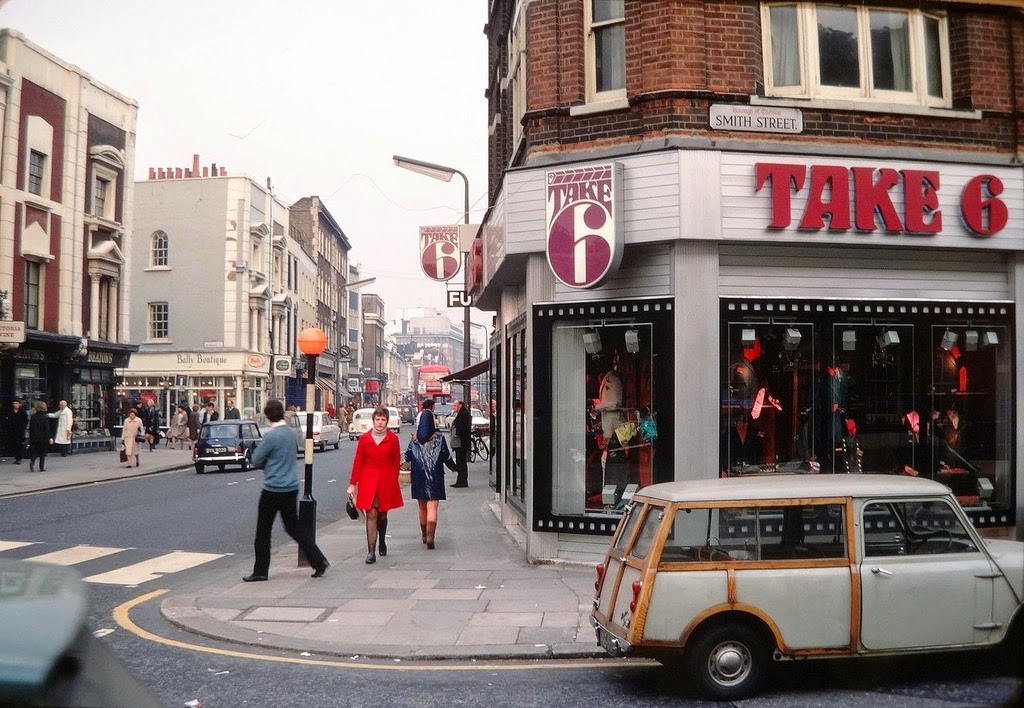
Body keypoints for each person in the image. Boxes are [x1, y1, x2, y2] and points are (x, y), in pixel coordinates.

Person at [244, 399, 329, 582]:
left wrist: (266, 462)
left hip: (272, 489)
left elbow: (256, 460)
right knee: (294, 528)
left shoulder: (271, 437)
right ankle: (319, 560)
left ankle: (260, 571)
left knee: (263, 531)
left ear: (268, 416)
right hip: (291, 487)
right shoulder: (290, 434)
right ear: (282, 413)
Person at [347, 406, 404, 564]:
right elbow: (358, 461)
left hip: (386, 481)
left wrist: (394, 481)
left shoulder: (393, 439)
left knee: (382, 515)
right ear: (373, 421)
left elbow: (395, 462)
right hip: (368, 481)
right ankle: (371, 551)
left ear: (387, 421)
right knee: (371, 514)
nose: (380, 422)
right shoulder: (365, 439)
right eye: (377, 419)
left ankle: (382, 539)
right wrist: (352, 483)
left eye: (383, 419)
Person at [406, 398, 450, 549]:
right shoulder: (439, 439)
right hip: (435, 476)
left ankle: (424, 534)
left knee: (422, 507)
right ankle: (431, 537)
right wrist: (456, 468)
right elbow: (446, 457)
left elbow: (407, 457)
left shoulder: (414, 441)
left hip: (418, 477)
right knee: (432, 507)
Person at [447, 399, 472, 488]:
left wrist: (457, 433)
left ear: (460, 405)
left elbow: (461, 428)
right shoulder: (461, 414)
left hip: (461, 443)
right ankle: (460, 480)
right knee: (460, 462)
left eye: (455, 405)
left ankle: (462, 481)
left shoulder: (463, 414)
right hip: (460, 442)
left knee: (461, 462)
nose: (453, 407)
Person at [28, 401, 52, 472]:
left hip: (34, 437)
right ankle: (41, 467)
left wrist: (31, 437)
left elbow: (31, 428)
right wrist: (50, 437)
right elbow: (47, 428)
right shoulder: (45, 417)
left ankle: (32, 461)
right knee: (42, 452)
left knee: (35, 451)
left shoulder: (33, 417)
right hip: (43, 437)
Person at [3, 399, 28, 464]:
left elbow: (26, 421)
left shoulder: (22, 412)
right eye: (14, 403)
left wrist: (23, 428)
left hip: (20, 431)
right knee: (14, 444)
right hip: (12, 431)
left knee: (19, 445)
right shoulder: (10, 412)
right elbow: (7, 420)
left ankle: (19, 458)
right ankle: (16, 457)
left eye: (16, 403)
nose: (15, 405)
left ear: (19, 404)